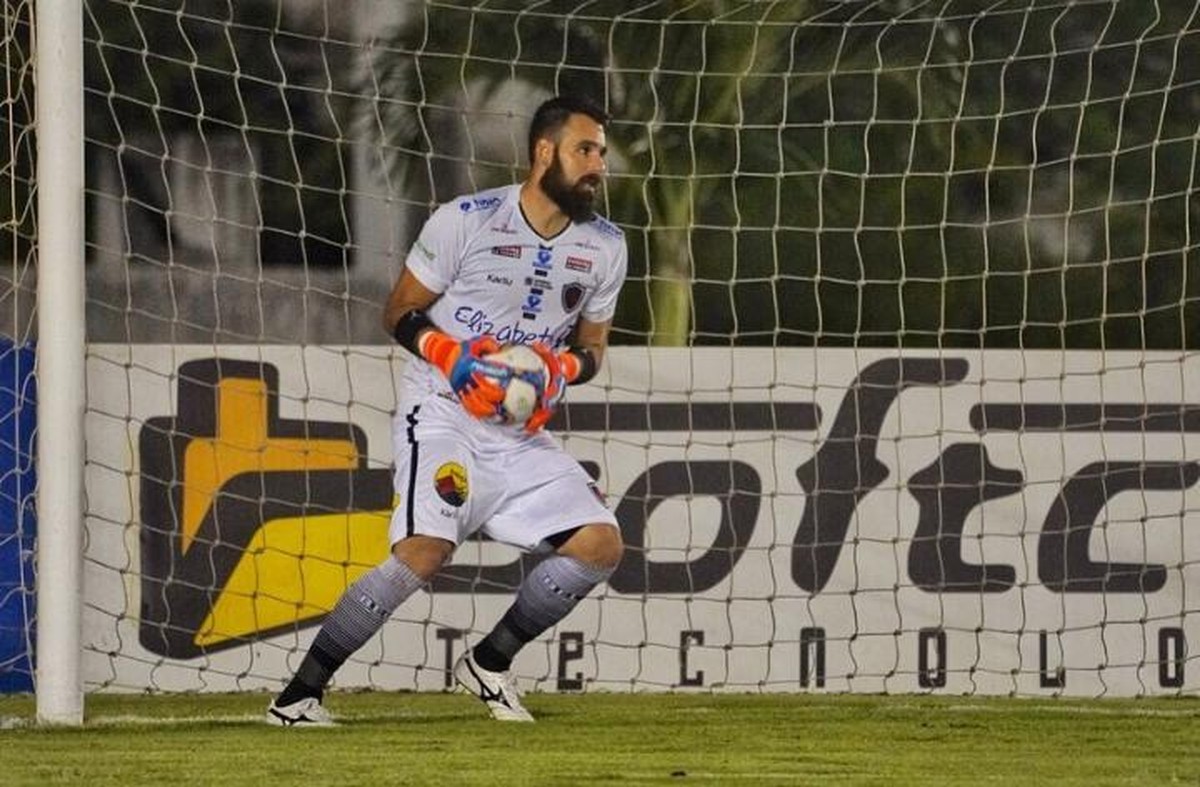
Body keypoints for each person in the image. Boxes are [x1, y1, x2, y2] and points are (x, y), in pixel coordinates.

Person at [267, 94, 627, 725]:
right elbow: (399, 311)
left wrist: (558, 368)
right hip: (442, 408)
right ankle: (299, 695)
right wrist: (454, 357)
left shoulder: (605, 246)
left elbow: (592, 348)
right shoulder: (467, 219)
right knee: (426, 548)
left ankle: (488, 664)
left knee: (600, 544)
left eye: (601, 151)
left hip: (518, 431)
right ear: (545, 152)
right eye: (585, 149)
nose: (598, 163)